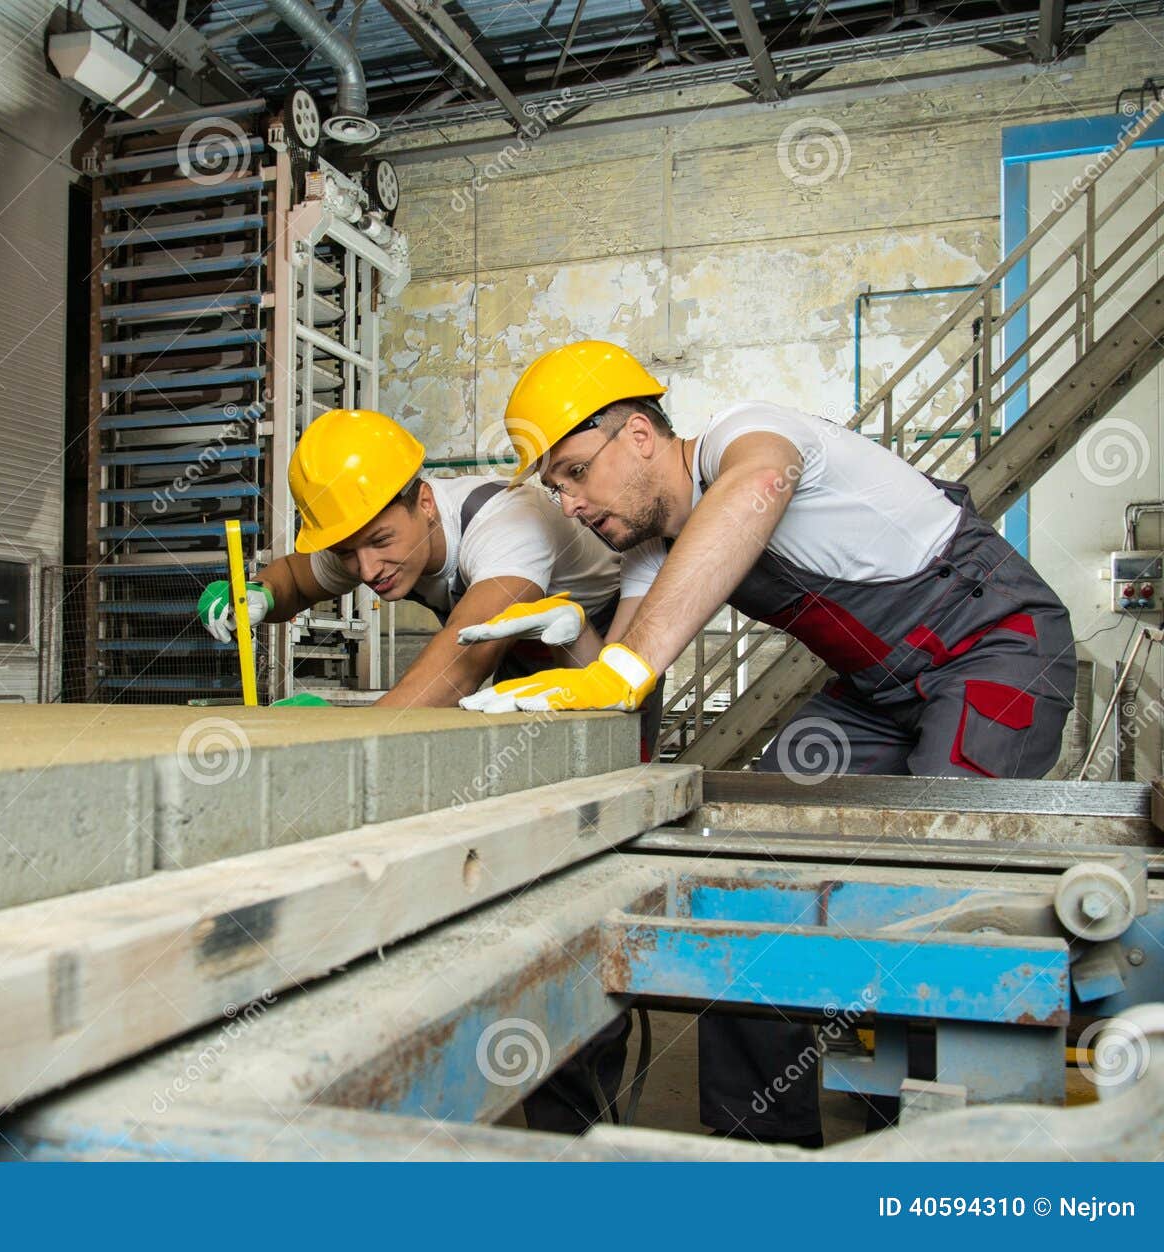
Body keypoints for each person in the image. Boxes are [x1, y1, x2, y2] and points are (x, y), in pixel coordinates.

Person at [461, 339, 1076, 1144]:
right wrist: (573, 638)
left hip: (999, 646)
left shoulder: (744, 439)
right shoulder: (654, 550)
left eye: (574, 471)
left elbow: (758, 486)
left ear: (639, 435)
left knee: (936, 886)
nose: (569, 503)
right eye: (554, 487)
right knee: (751, 888)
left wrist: (623, 660)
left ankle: (934, 1143)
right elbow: (630, 672)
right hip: (878, 695)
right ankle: (758, 1154)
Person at [195, 407, 642, 711]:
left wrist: (339, 732)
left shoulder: (507, 524)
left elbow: (461, 663)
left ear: (424, 502)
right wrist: (261, 594)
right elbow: (296, 575)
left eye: (380, 542)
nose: (368, 571)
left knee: (612, 756)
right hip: (515, 648)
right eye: (347, 553)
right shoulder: (366, 539)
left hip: (602, 642)